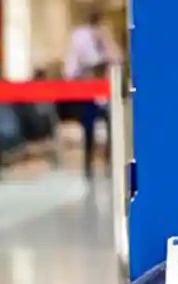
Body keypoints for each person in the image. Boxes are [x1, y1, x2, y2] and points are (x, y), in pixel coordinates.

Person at [64, 9, 121, 178]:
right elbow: (74, 64)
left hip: (106, 87)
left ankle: (111, 161)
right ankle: (88, 164)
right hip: (87, 86)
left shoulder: (105, 36)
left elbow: (117, 59)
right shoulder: (79, 37)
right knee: (88, 125)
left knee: (111, 124)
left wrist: (107, 41)